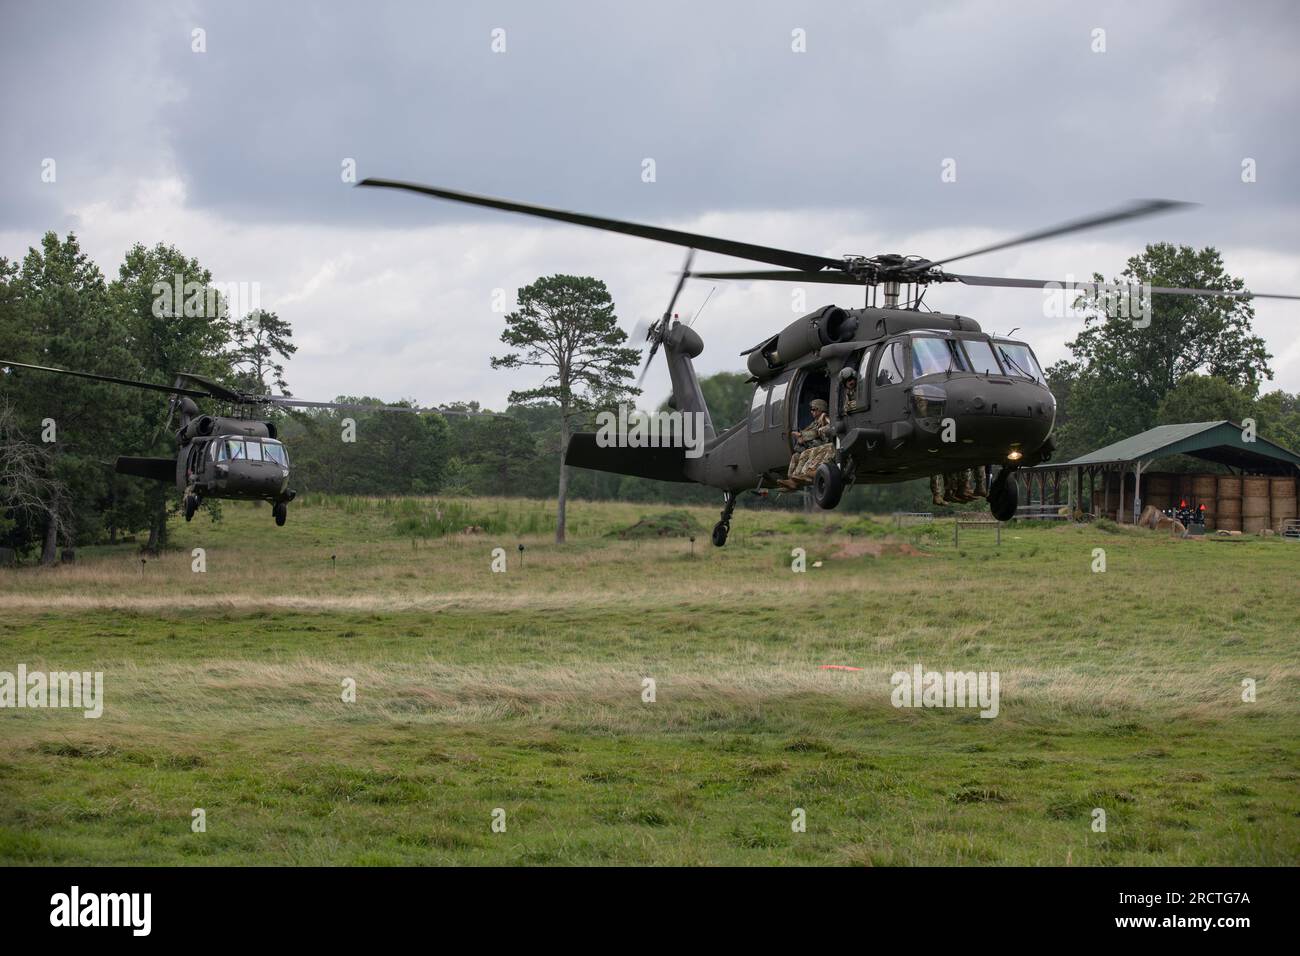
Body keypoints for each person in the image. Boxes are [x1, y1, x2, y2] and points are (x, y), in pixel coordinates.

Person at [781, 397, 831, 489]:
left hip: (825, 447)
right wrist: (801, 439)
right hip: (815, 447)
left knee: (806, 453)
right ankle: (792, 480)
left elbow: (829, 429)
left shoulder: (825, 418)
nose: (811, 412)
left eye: (813, 409)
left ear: (820, 409)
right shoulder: (815, 423)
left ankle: (803, 475)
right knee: (796, 456)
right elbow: (808, 433)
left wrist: (803, 436)